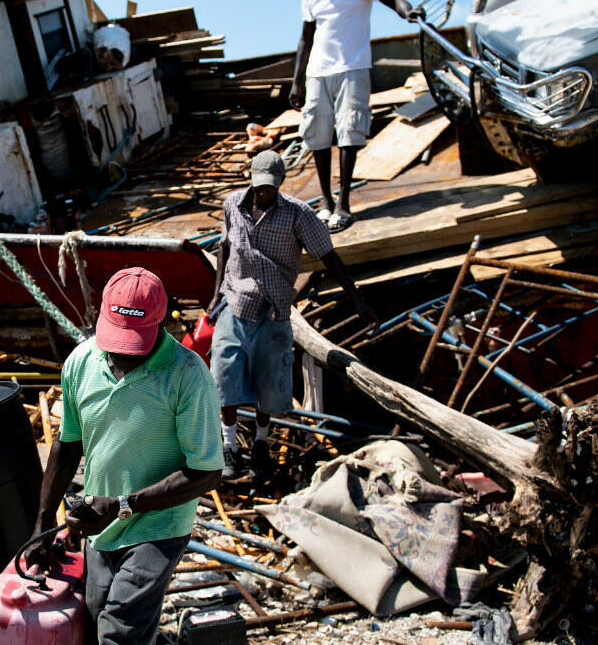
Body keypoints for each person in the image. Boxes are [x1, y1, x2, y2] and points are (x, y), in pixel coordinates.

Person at [28, 267, 224, 645]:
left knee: (120, 630)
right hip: (102, 525)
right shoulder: (80, 364)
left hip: (159, 524)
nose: (122, 353)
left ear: (163, 322)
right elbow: (67, 445)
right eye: (117, 339)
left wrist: (122, 505)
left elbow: (207, 473)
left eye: (135, 342)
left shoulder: (187, 375)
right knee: (96, 611)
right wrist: (41, 526)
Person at [207, 151, 376, 480]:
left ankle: (259, 444)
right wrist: (216, 295)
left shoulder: (298, 215)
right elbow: (224, 246)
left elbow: (328, 255)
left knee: (267, 386)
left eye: (269, 188)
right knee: (224, 377)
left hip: (273, 312)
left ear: (280, 184)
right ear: (251, 181)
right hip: (236, 305)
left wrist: (357, 299)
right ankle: (230, 447)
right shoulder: (232, 205)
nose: (263, 193)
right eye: (258, 188)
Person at [290, 0, 425, 233]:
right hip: (317, 72)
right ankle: (326, 202)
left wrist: (408, 11)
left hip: (353, 67)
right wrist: (297, 81)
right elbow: (305, 38)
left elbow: (393, 0)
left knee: (350, 132)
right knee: (317, 135)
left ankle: (344, 204)